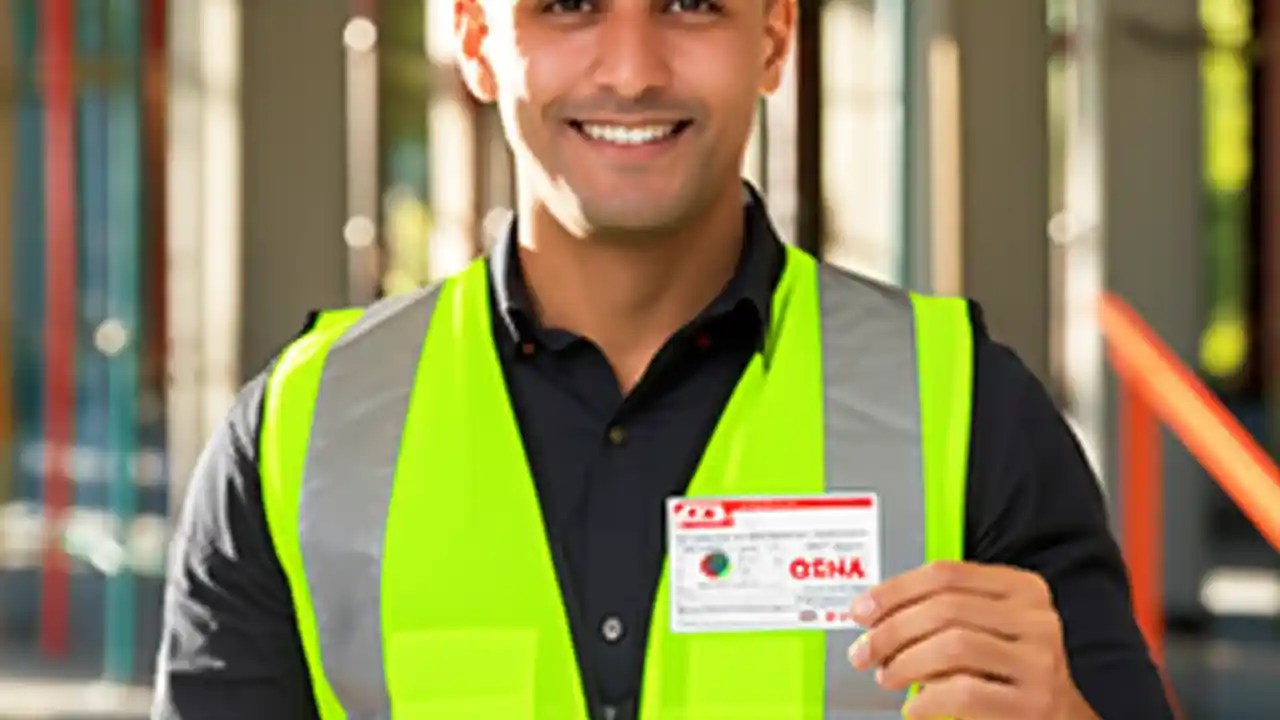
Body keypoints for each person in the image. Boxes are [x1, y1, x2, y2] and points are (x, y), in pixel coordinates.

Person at [153, 1, 1174, 718]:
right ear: (475, 38)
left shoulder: (966, 411)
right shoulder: (299, 432)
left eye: (688, 3)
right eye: (567, 5)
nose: (631, 67)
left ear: (772, 37)